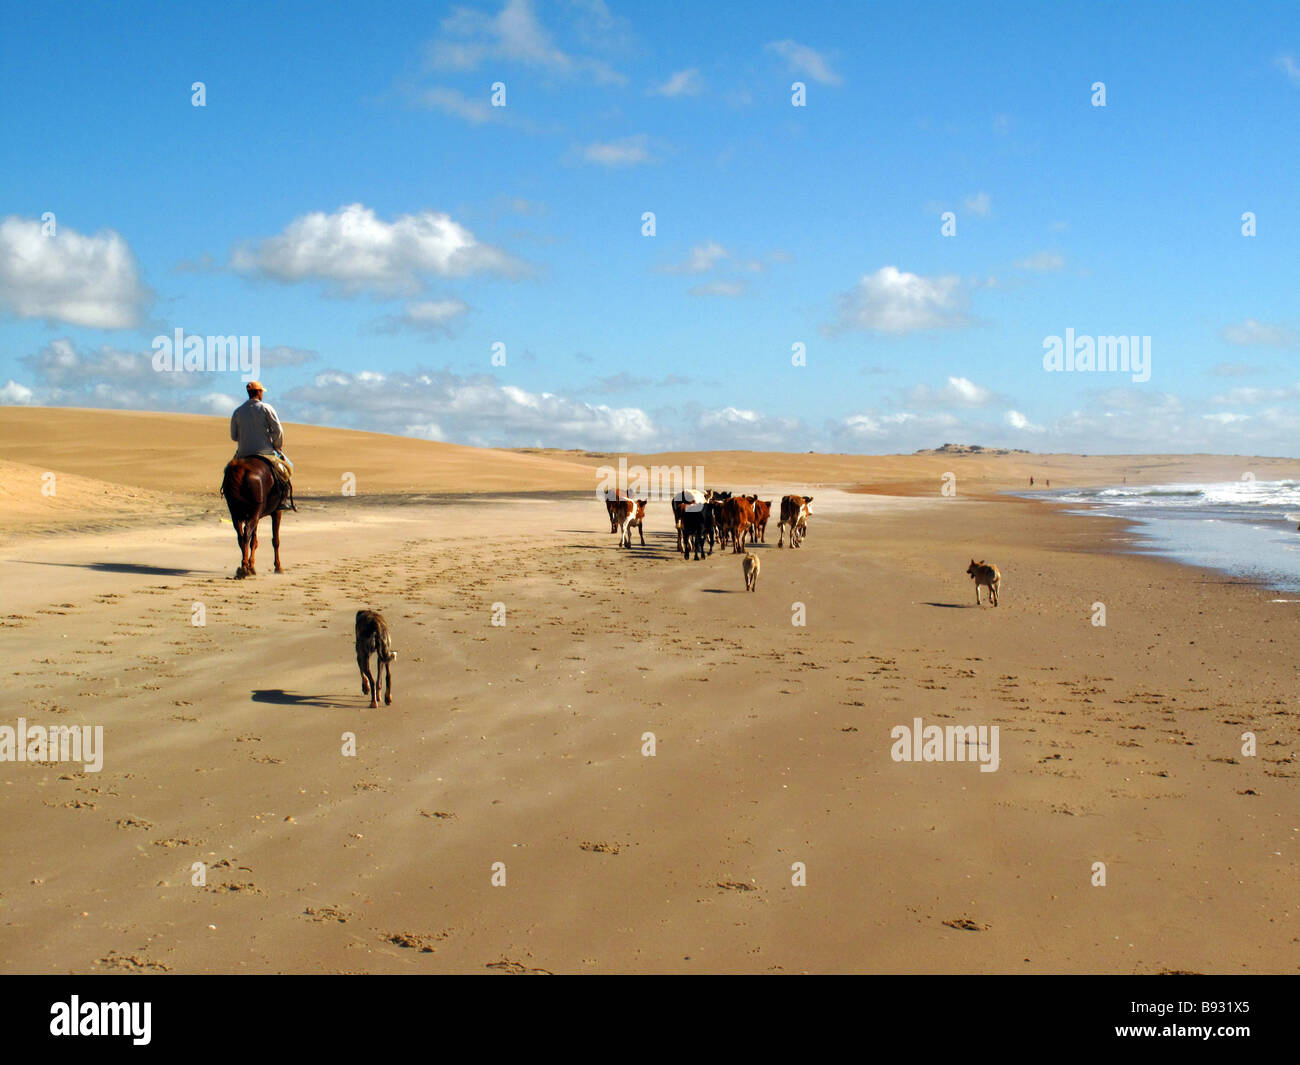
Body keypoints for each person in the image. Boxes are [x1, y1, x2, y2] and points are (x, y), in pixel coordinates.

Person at [231, 380, 295, 511]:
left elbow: (234, 436)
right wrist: (277, 445)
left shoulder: (238, 411)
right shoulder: (266, 408)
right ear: (259, 393)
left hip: (243, 452)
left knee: (230, 472)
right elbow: (278, 430)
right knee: (287, 469)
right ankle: (282, 500)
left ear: (248, 392)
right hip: (265, 451)